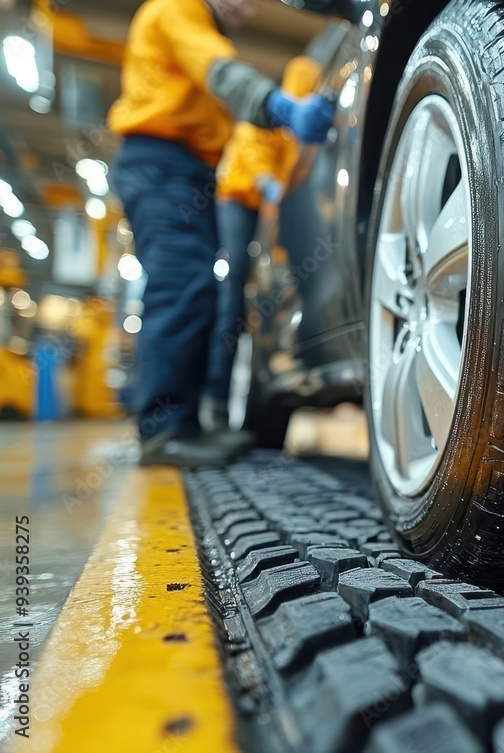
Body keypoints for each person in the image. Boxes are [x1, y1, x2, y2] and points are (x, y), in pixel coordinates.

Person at [109, 0, 334, 467]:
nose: (250, 11)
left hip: (188, 170)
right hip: (160, 162)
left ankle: (183, 424)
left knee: (197, 291)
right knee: (180, 287)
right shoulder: (178, 7)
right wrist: (279, 107)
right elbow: (221, 73)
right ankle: (163, 431)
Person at [201, 55, 322, 434]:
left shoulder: (298, 132)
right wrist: (268, 184)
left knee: (259, 296)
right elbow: (253, 154)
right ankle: (214, 401)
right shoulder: (270, 117)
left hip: (268, 209)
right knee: (234, 282)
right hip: (238, 199)